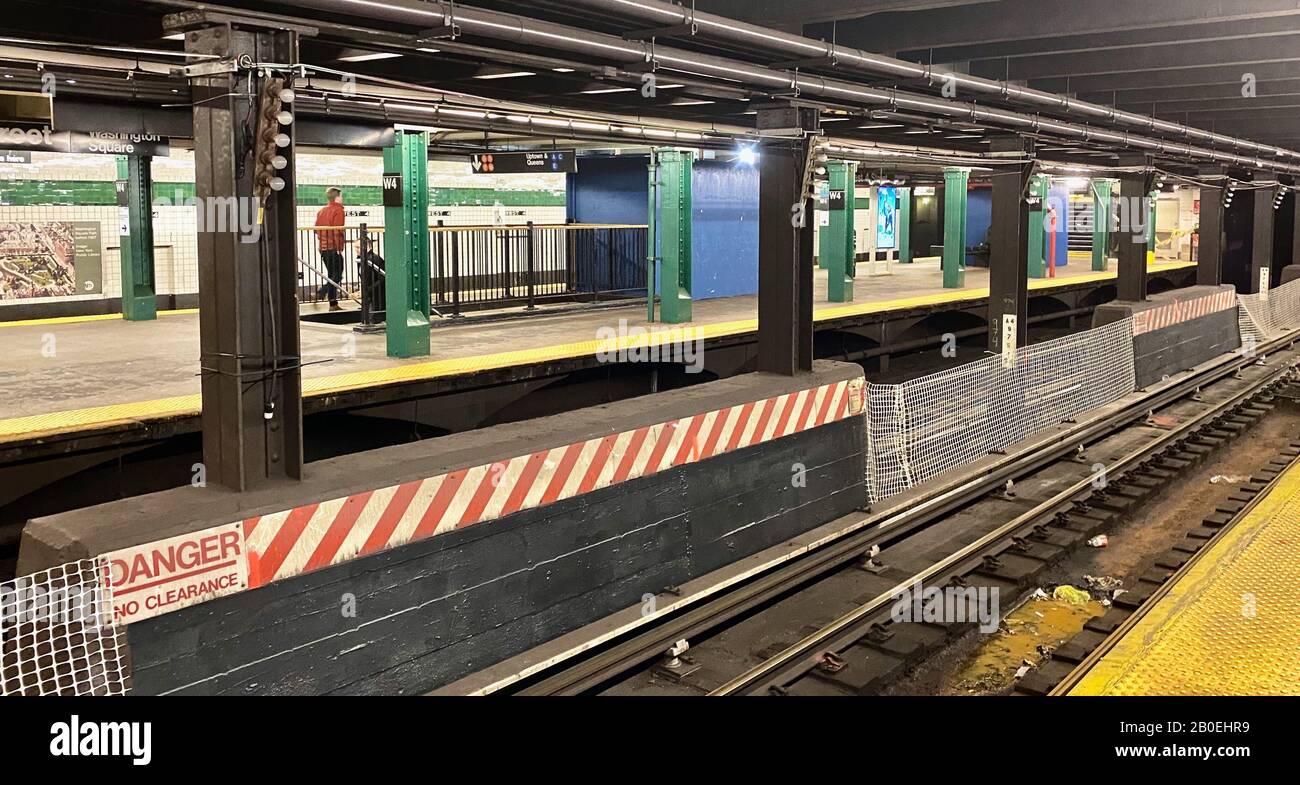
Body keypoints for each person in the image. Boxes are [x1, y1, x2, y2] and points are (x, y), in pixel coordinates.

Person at [315, 186, 346, 311]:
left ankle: (333, 304)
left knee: (332, 274)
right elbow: (337, 230)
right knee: (337, 275)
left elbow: (316, 230)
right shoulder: (338, 210)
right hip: (334, 247)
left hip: (323, 248)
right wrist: (339, 247)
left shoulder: (322, 210)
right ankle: (323, 291)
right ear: (337, 197)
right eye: (341, 196)